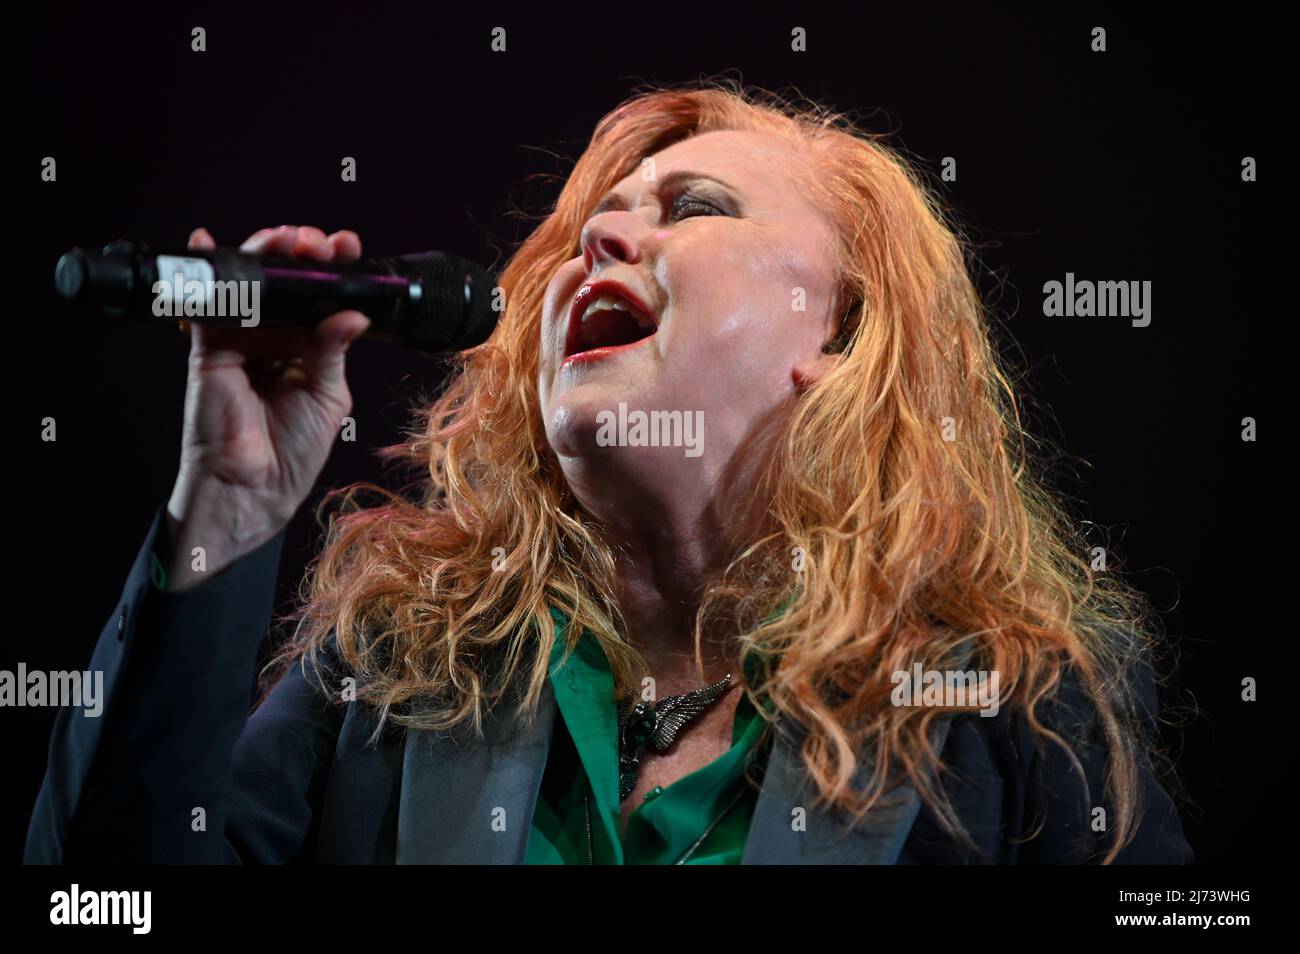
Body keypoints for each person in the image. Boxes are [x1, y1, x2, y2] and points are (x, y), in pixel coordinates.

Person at [26, 82, 1193, 864]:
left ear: (839, 340)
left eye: (691, 209)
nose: (599, 238)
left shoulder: (1015, 703)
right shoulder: (393, 675)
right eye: (599, 218)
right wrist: (225, 502)